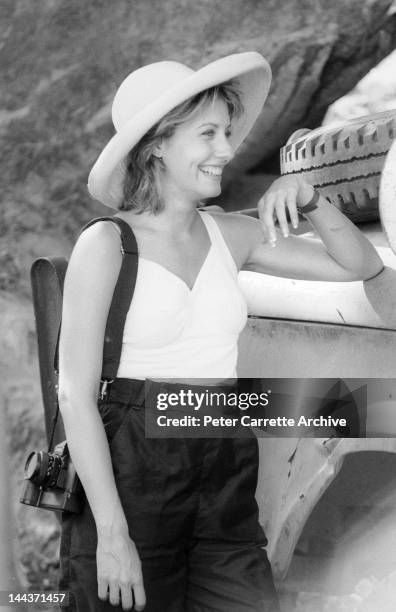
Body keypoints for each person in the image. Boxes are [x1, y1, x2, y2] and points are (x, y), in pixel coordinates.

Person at [57, 52, 383, 612]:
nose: (227, 151)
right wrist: (111, 534)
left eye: (227, 133)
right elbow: (74, 394)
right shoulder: (107, 244)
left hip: (223, 452)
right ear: (157, 144)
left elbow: (360, 265)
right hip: (133, 464)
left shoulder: (233, 234)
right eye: (208, 133)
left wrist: (308, 196)